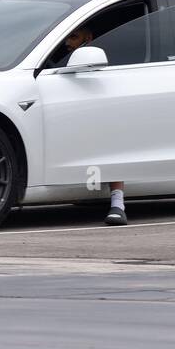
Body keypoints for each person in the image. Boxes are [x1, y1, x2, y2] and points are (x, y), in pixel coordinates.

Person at [61, 26, 128, 227]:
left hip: (101, 118)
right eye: (66, 37)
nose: (67, 43)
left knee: (110, 138)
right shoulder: (61, 58)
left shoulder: (102, 61)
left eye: (73, 37)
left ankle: (118, 204)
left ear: (88, 38)